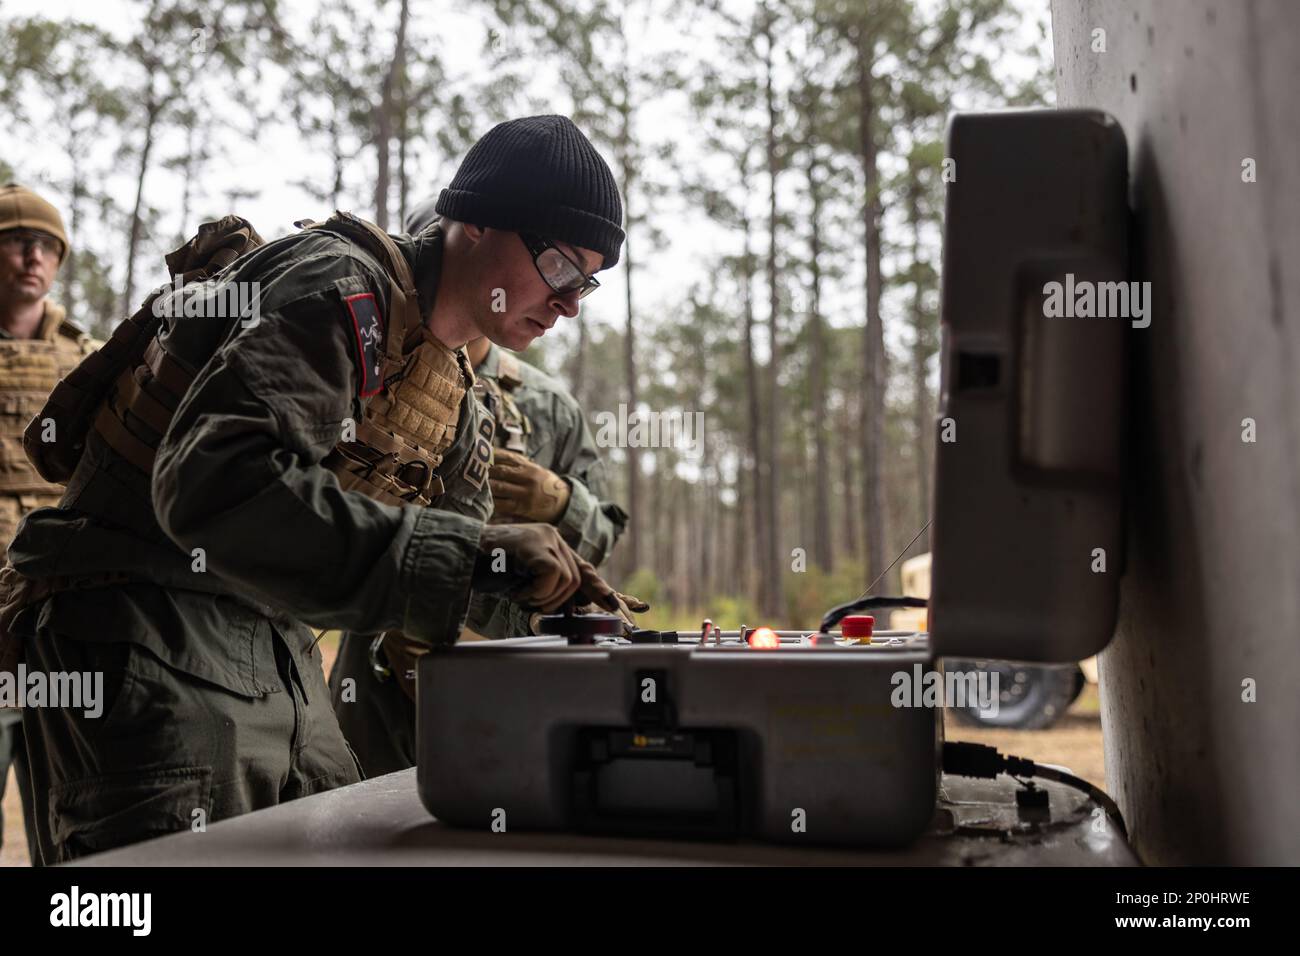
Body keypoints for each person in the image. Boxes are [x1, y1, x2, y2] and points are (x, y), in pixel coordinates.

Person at [0, 114, 627, 864]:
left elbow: (456, 565)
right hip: (141, 617)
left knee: (341, 832)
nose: (570, 303)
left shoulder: (457, 391)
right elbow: (214, 482)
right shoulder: (336, 285)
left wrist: (563, 608)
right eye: (561, 266)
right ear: (479, 222)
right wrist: (475, 557)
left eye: (586, 282)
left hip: (277, 642)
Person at [326, 191, 634, 778]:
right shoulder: (370, 358)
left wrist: (557, 502)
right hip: (378, 664)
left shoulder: (548, 405)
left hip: (508, 657)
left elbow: (603, 536)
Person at [0, 184, 96, 864]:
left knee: (69, 809)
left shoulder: (88, 359)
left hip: (61, 613)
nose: (34, 256)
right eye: (16, 240)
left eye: (48, 245)